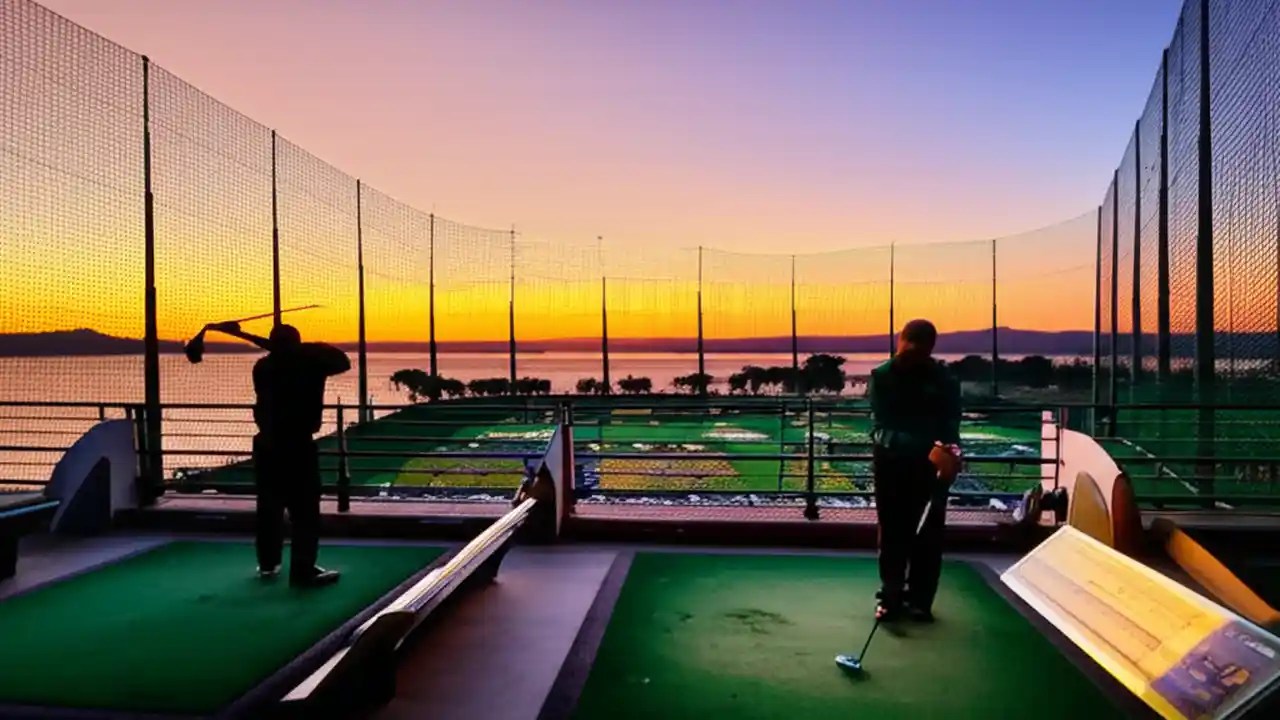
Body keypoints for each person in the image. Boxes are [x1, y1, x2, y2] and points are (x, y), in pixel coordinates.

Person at [210, 321, 351, 587]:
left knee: (269, 508)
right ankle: (302, 570)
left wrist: (271, 344)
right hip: (297, 445)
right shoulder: (310, 364)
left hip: (267, 446)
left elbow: (285, 358)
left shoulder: (263, 367)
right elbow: (342, 361)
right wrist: (304, 347)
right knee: (305, 512)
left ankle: (268, 563)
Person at [867, 319, 961, 622]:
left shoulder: (944, 380)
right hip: (893, 461)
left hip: (931, 465)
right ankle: (892, 597)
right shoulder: (882, 376)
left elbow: (951, 425)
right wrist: (927, 447)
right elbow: (882, 426)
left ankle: (918, 600)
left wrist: (950, 452)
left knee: (928, 533)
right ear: (901, 342)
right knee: (895, 531)